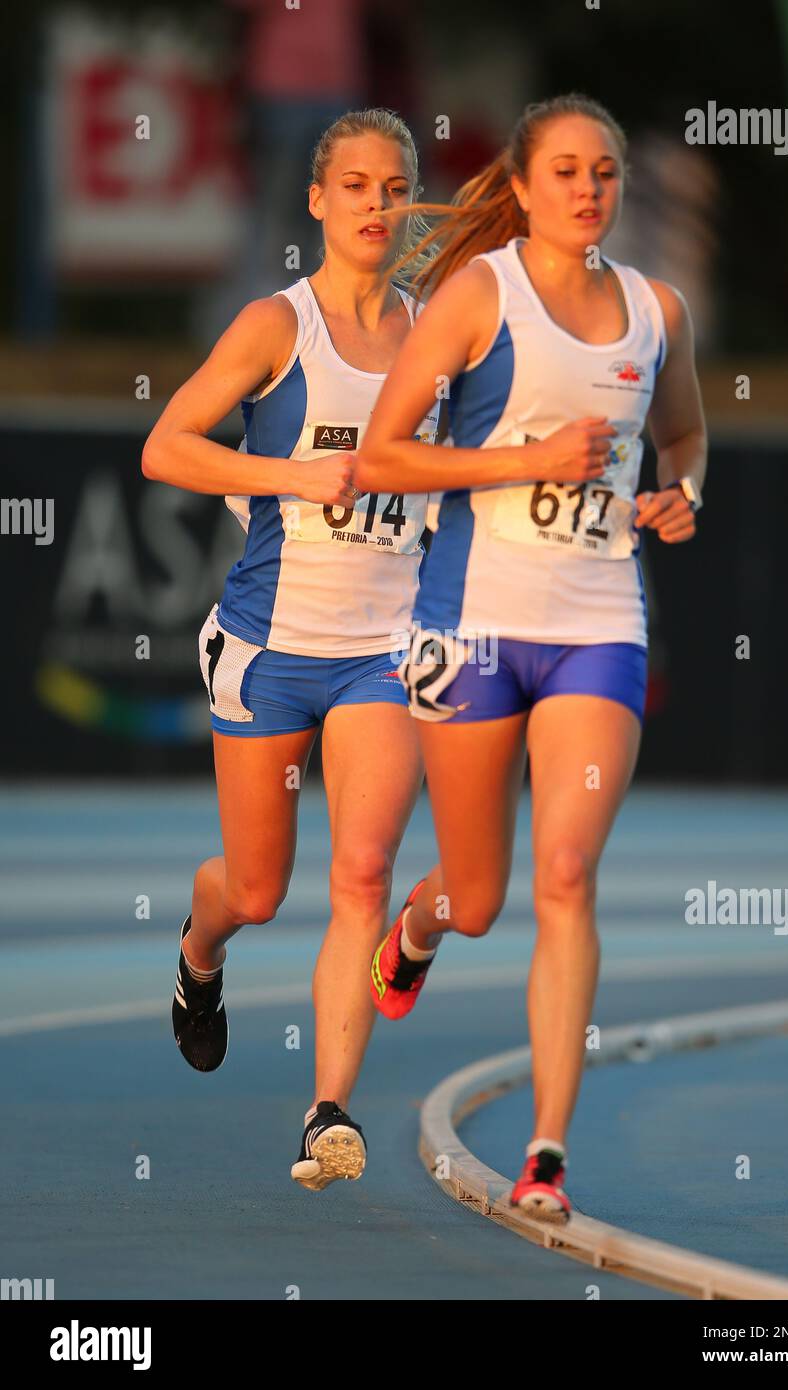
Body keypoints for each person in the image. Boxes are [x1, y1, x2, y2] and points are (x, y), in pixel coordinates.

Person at [355, 93, 707, 1222]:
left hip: (598, 621)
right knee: (479, 894)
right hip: (468, 625)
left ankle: (547, 1150)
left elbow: (685, 433)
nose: (588, 190)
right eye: (564, 171)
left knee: (566, 872)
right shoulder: (477, 295)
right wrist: (527, 460)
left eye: (603, 171)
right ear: (519, 186)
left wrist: (679, 493)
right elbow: (382, 456)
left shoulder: (657, 310)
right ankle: (415, 926)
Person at [142, 109, 440, 1191]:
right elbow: (165, 445)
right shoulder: (278, 326)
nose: (373, 202)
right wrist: (291, 475)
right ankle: (198, 952)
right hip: (272, 646)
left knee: (360, 874)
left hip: (383, 654)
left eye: (392, 185)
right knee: (258, 890)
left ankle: (326, 1112)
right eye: (352, 184)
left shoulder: (434, 333)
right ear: (316, 201)